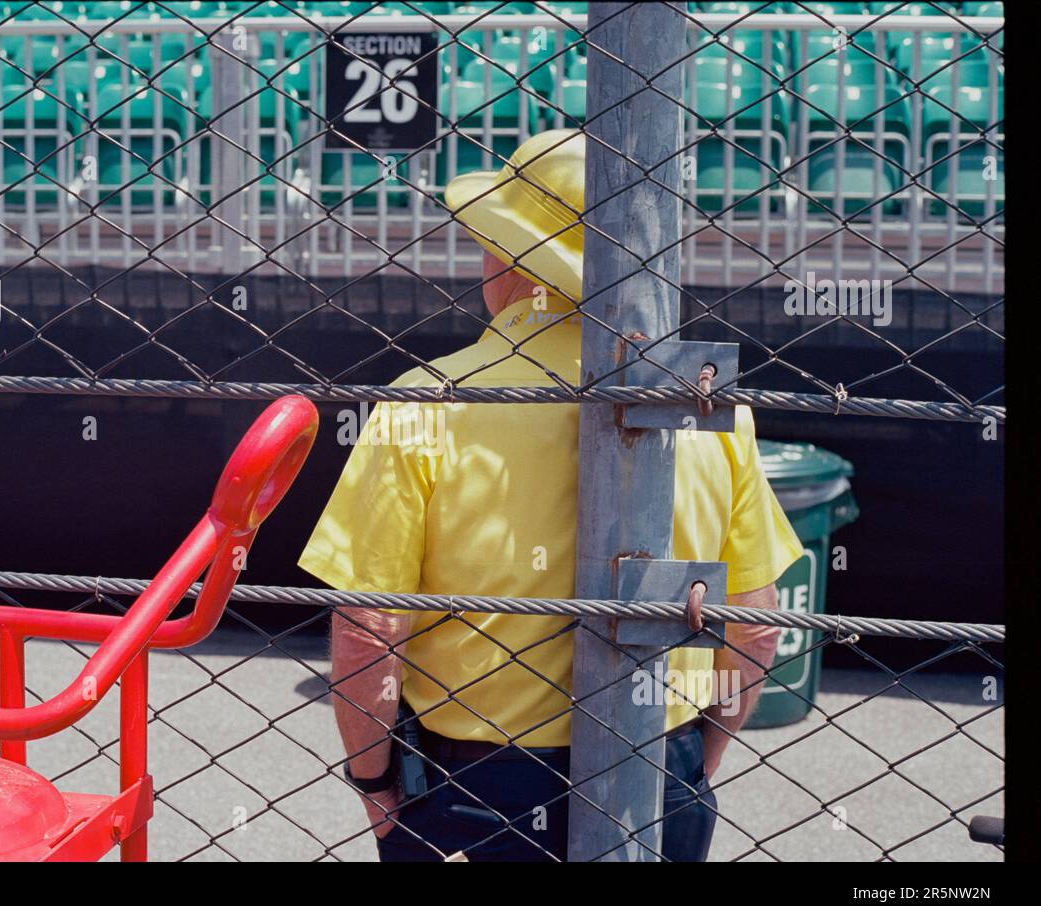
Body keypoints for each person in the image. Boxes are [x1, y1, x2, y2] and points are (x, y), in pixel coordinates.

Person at [299, 130, 804, 862]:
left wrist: (374, 781)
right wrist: (694, 762)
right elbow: (756, 626)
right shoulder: (705, 408)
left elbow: (370, 629)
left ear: (507, 256)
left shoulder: (427, 404)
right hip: (662, 763)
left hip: (474, 788)